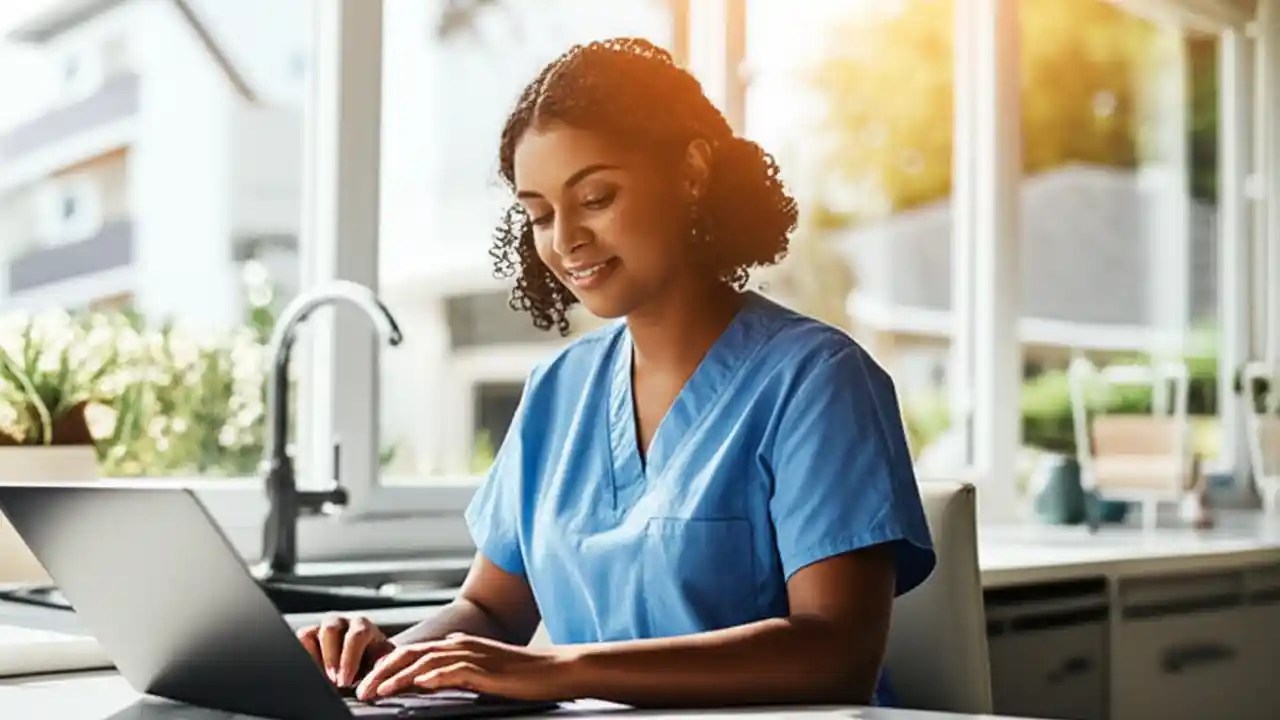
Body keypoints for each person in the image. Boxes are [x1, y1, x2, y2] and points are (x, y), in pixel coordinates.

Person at [297, 37, 935, 709]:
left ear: (691, 172)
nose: (565, 238)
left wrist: (557, 670)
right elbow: (489, 610)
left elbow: (835, 655)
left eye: (595, 197)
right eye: (539, 214)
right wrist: (386, 663)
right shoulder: (558, 393)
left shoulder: (816, 381)